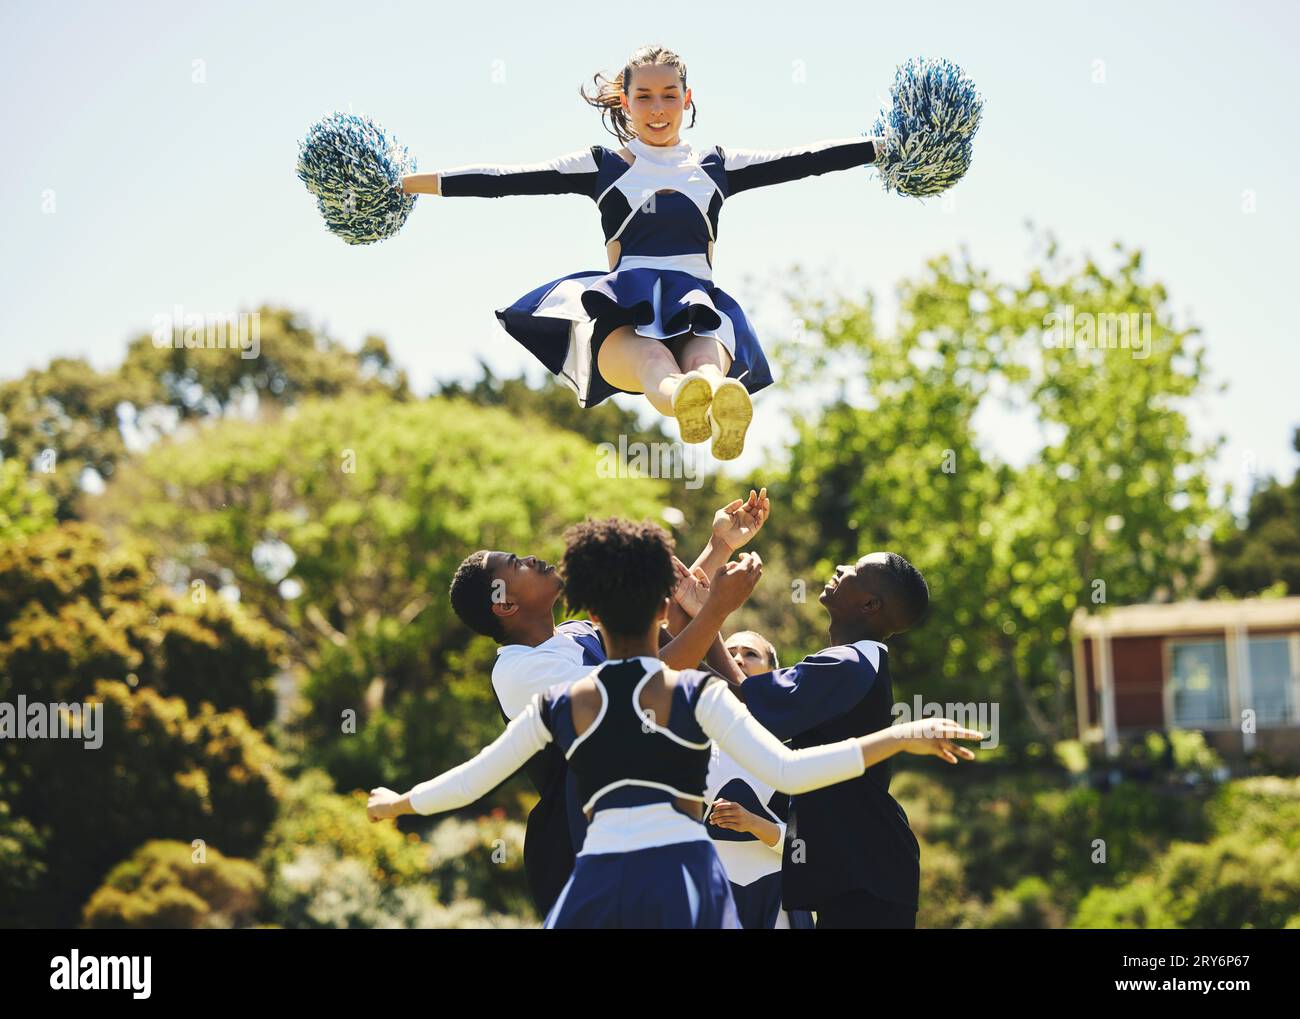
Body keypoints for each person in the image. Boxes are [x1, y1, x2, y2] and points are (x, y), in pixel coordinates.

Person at [368, 519, 981, 928]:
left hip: (602, 875)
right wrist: (897, 737)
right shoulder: (691, 694)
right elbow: (791, 770)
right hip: (680, 874)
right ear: (656, 608)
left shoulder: (567, 698)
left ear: (595, 611)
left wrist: (402, 804)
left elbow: (476, 778)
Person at [398, 44, 882, 459]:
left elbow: (806, 161)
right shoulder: (602, 165)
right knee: (658, 365)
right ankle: (698, 400)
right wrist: (408, 184)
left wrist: (886, 147)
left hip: (697, 307)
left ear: (688, 100)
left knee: (704, 363)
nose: (657, 108)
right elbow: (503, 180)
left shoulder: (716, 165)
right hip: (623, 309)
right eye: (644, 96)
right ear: (624, 103)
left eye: (670, 96)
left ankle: (718, 401)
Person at [446, 491, 767, 914]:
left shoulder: (576, 633)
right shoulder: (518, 670)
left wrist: (719, 546)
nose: (533, 558)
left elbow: (657, 620)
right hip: (586, 847)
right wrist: (718, 609)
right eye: (516, 563)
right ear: (505, 603)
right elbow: (641, 686)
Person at [736, 552, 942, 928]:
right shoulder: (854, 662)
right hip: (860, 877)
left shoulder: (848, 665)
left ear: (869, 604)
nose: (840, 569)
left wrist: (707, 612)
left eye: (854, 571)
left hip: (868, 880)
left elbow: (740, 697)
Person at [702, 630, 814, 929]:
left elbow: (809, 846)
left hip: (776, 903)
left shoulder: (793, 749)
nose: (738, 659)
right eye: (730, 652)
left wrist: (753, 824)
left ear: (774, 673)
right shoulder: (692, 741)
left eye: (751, 654)